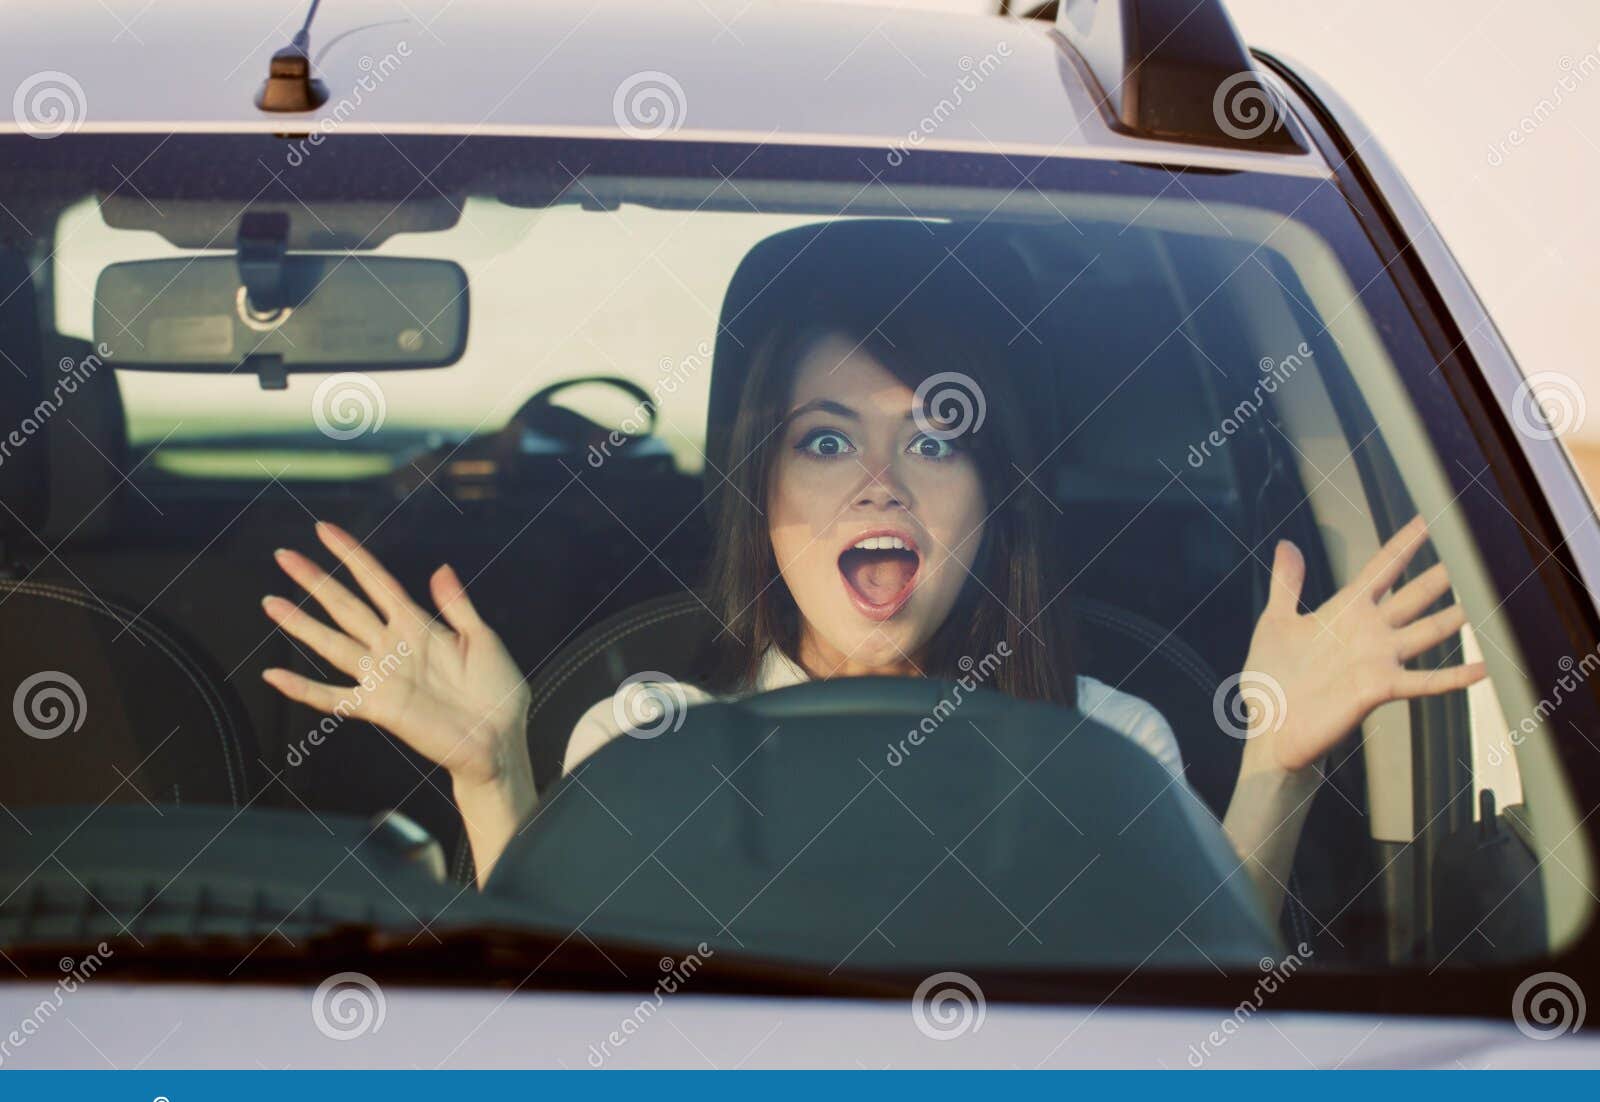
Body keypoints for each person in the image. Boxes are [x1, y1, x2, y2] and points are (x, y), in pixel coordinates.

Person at [259, 291, 1485, 912]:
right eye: (829, 444)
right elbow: (547, 1041)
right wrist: (488, 773)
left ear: (991, 499)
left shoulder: (1111, 747)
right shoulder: (645, 738)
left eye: (936, 440)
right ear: (765, 498)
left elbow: (1203, 1041)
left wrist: (1276, 767)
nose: (882, 483)